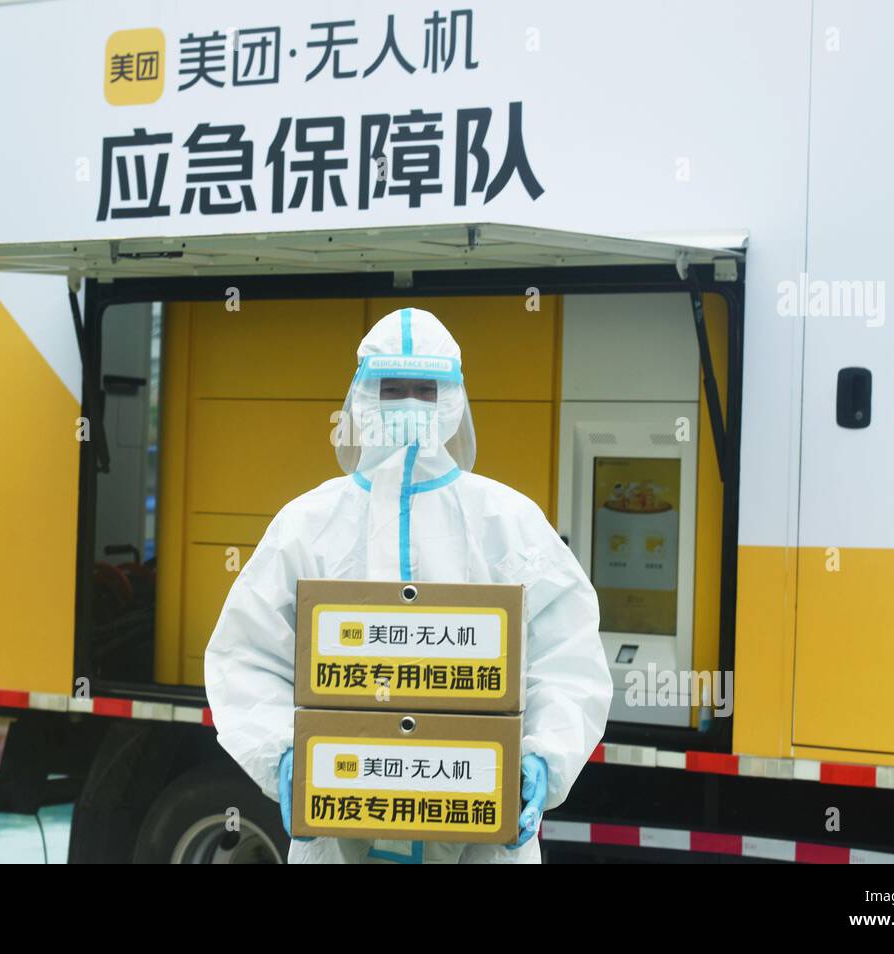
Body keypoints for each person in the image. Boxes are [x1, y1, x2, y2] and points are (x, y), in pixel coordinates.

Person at [204, 306, 612, 863]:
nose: (409, 405)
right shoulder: (306, 526)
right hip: (339, 842)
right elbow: (246, 657)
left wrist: (543, 758)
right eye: (391, 387)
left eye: (427, 388)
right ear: (360, 396)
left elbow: (568, 662)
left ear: (455, 398)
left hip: (480, 847)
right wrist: (284, 754)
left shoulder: (509, 523)